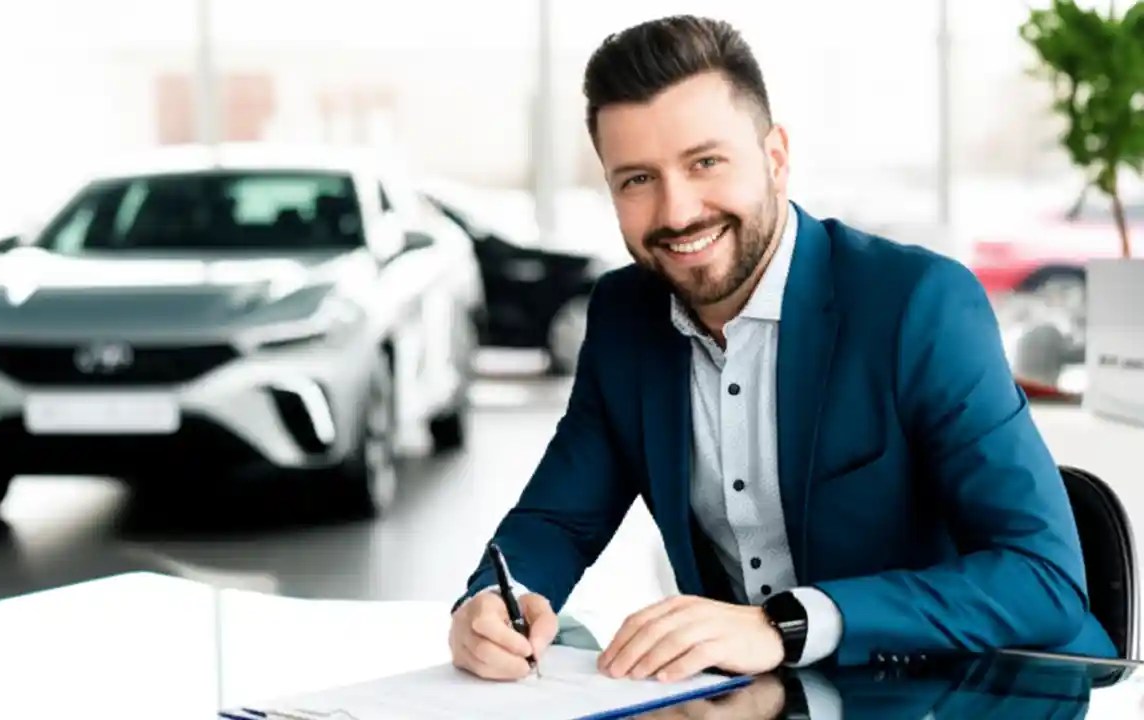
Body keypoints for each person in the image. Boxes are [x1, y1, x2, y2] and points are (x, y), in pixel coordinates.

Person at [449, 14, 1115, 683]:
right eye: (637, 180)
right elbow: (555, 521)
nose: (677, 212)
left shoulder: (918, 304)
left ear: (775, 158)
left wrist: (786, 625)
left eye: (705, 162)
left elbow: (1043, 578)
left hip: (972, 690)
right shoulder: (626, 314)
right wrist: (489, 606)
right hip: (765, 701)